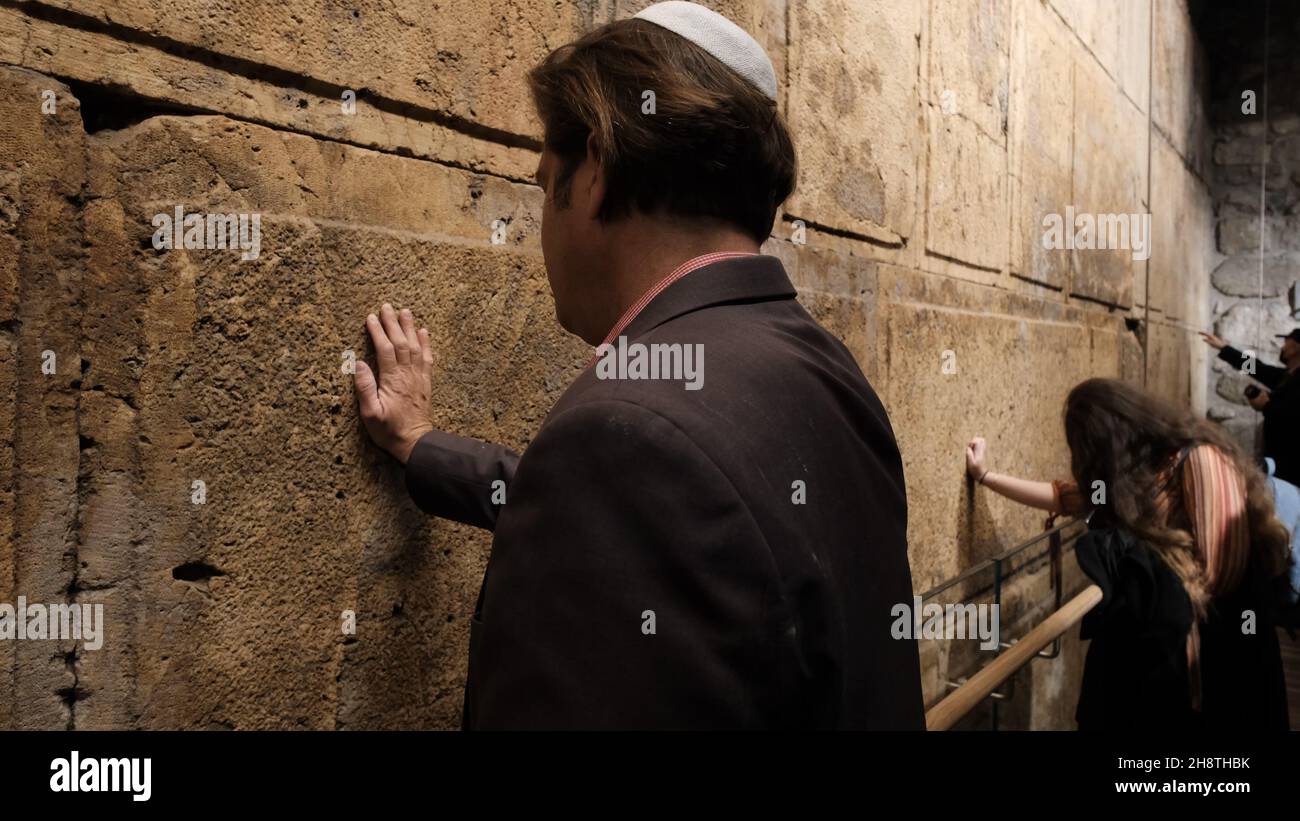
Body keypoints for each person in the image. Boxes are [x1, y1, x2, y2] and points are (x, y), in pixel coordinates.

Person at [352, 2, 923, 729]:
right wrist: (422, 445)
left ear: (593, 171)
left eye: (541, 184)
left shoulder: (627, 435)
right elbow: (665, 513)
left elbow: (635, 493)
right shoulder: (819, 367)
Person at [965, 378, 1290, 730]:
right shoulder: (1134, 475)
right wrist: (986, 476)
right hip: (1172, 641)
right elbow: (1067, 497)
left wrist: (1157, 595)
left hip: (1221, 645)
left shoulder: (1199, 457)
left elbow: (1223, 571)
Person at [1200, 329, 1300, 485]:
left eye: (1286, 343)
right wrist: (1224, 348)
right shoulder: (1288, 376)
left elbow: (1293, 415)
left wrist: (1266, 406)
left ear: (1294, 347)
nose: (1282, 348)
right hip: (1278, 456)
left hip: (1291, 462)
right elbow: (1257, 369)